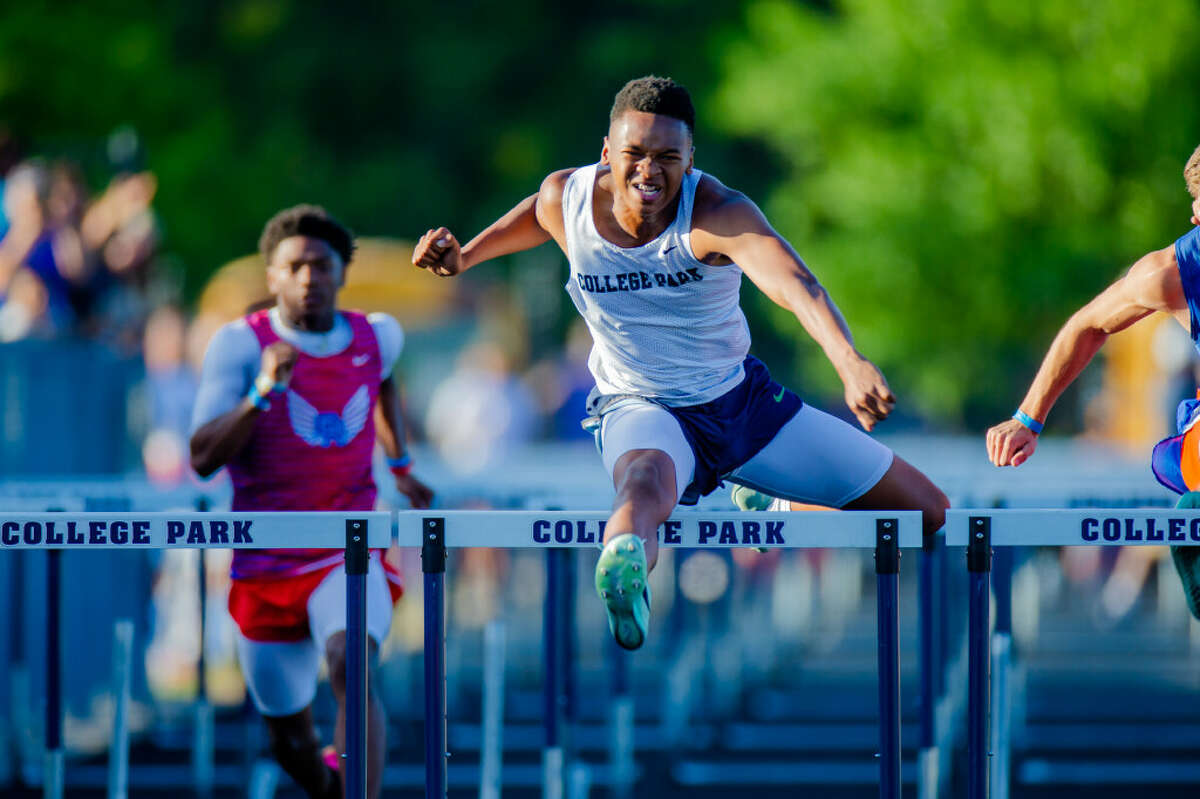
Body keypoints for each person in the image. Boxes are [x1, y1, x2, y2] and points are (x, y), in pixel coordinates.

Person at [412, 76, 948, 650]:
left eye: (668, 158)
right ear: (606, 153)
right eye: (635, 154)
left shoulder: (717, 212)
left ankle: (770, 493)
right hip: (639, 405)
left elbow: (796, 285)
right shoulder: (565, 200)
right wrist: (466, 256)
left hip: (740, 406)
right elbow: (534, 216)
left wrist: (848, 360)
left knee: (929, 512)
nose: (649, 172)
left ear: (690, 159)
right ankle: (625, 568)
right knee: (644, 483)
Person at [190, 204, 432, 798]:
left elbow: (383, 381)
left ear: (341, 273)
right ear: (271, 276)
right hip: (266, 563)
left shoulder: (378, 335)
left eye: (321, 265)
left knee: (352, 663)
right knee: (289, 742)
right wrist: (262, 391)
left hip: (346, 550)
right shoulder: (239, 345)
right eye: (294, 266)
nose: (308, 278)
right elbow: (202, 457)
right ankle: (328, 785)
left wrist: (401, 465)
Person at [986, 143, 1200, 619]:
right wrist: (1028, 418)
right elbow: (1088, 325)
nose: (1193, 219)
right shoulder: (1170, 273)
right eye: (1196, 209)